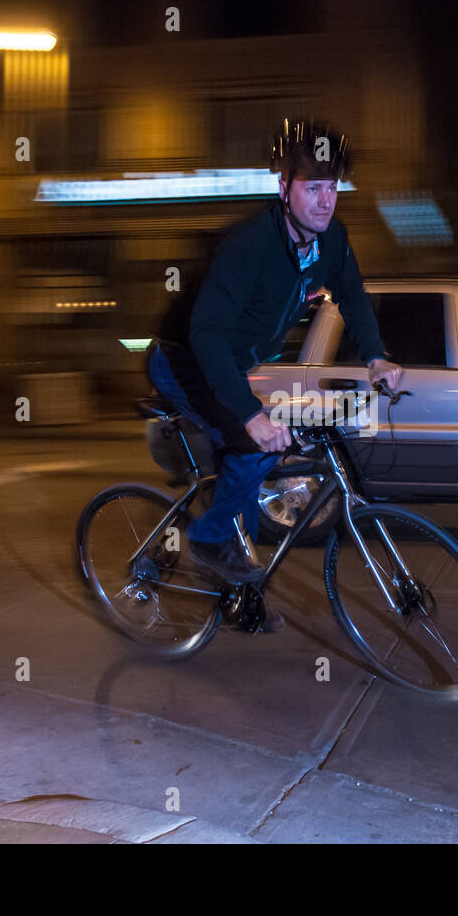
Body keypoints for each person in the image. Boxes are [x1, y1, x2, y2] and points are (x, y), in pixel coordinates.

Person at [145, 118, 402, 629]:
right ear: (284, 188)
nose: (326, 200)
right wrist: (249, 416)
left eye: (332, 187)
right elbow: (208, 335)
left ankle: (237, 596)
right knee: (254, 443)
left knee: (250, 463)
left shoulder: (330, 241)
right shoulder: (249, 245)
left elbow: (351, 294)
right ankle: (206, 543)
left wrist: (375, 356)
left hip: (230, 364)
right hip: (183, 358)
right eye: (313, 187)